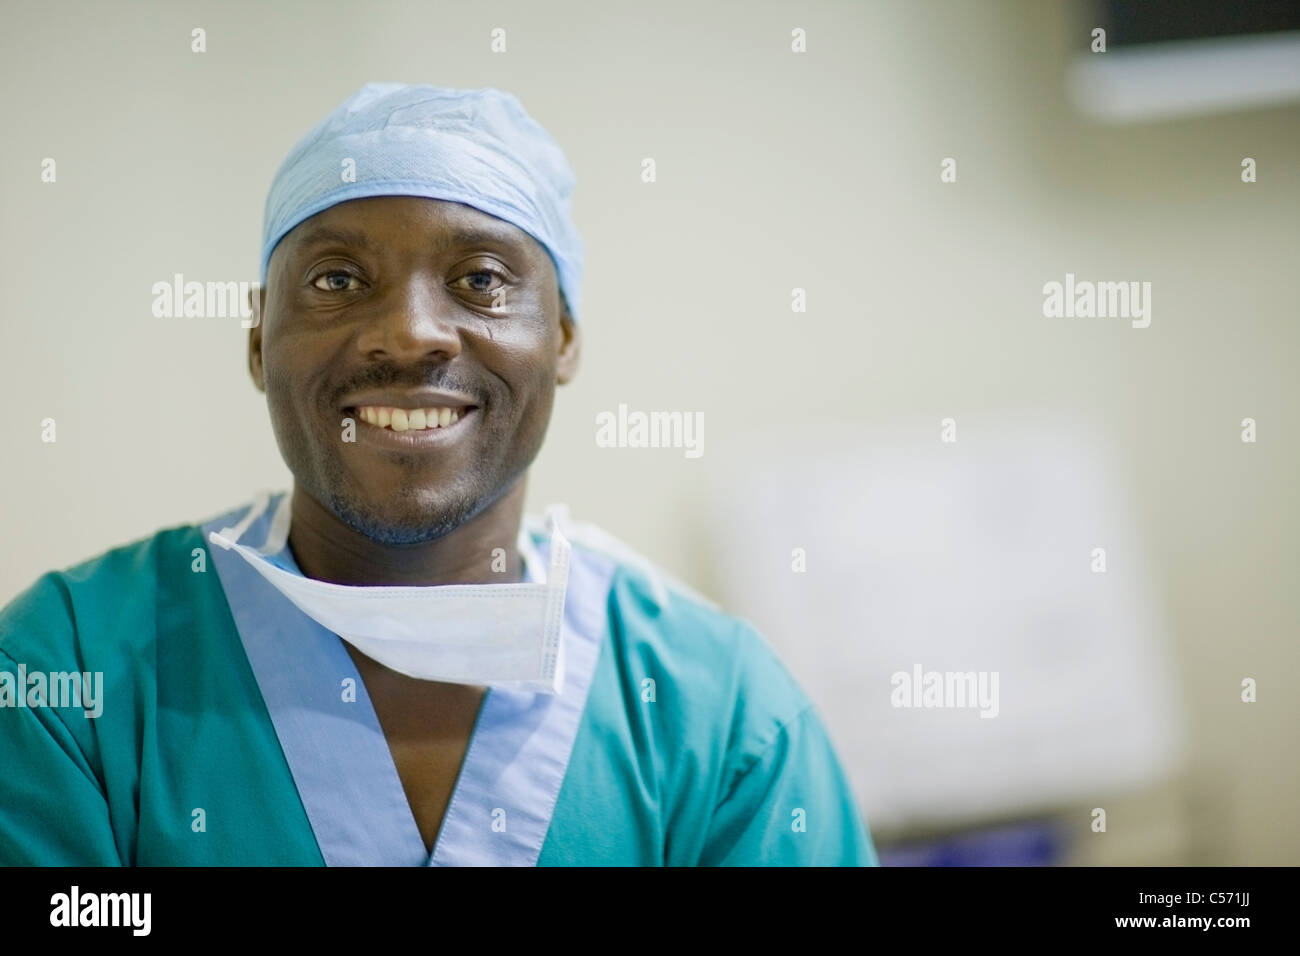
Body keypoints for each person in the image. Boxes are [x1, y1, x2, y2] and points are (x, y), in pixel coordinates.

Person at [0, 83, 877, 866]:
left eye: (481, 280)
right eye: (337, 279)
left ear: (563, 338)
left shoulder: (721, 716)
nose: (411, 332)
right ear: (260, 341)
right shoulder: (63, 676)